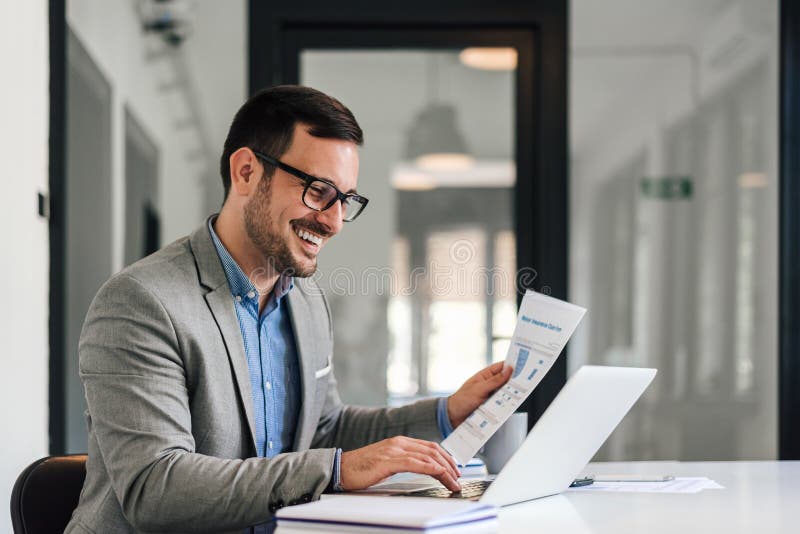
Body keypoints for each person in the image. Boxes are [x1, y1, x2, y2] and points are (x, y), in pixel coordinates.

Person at [65, 85, 512, 533]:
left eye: (346, 199)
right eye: (319, 191)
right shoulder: (142, 302)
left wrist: (445, 414)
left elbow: (324, 431)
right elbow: (155, 489)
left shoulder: (307, 302)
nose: (334, 221)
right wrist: (334, 470)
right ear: (245, 172)